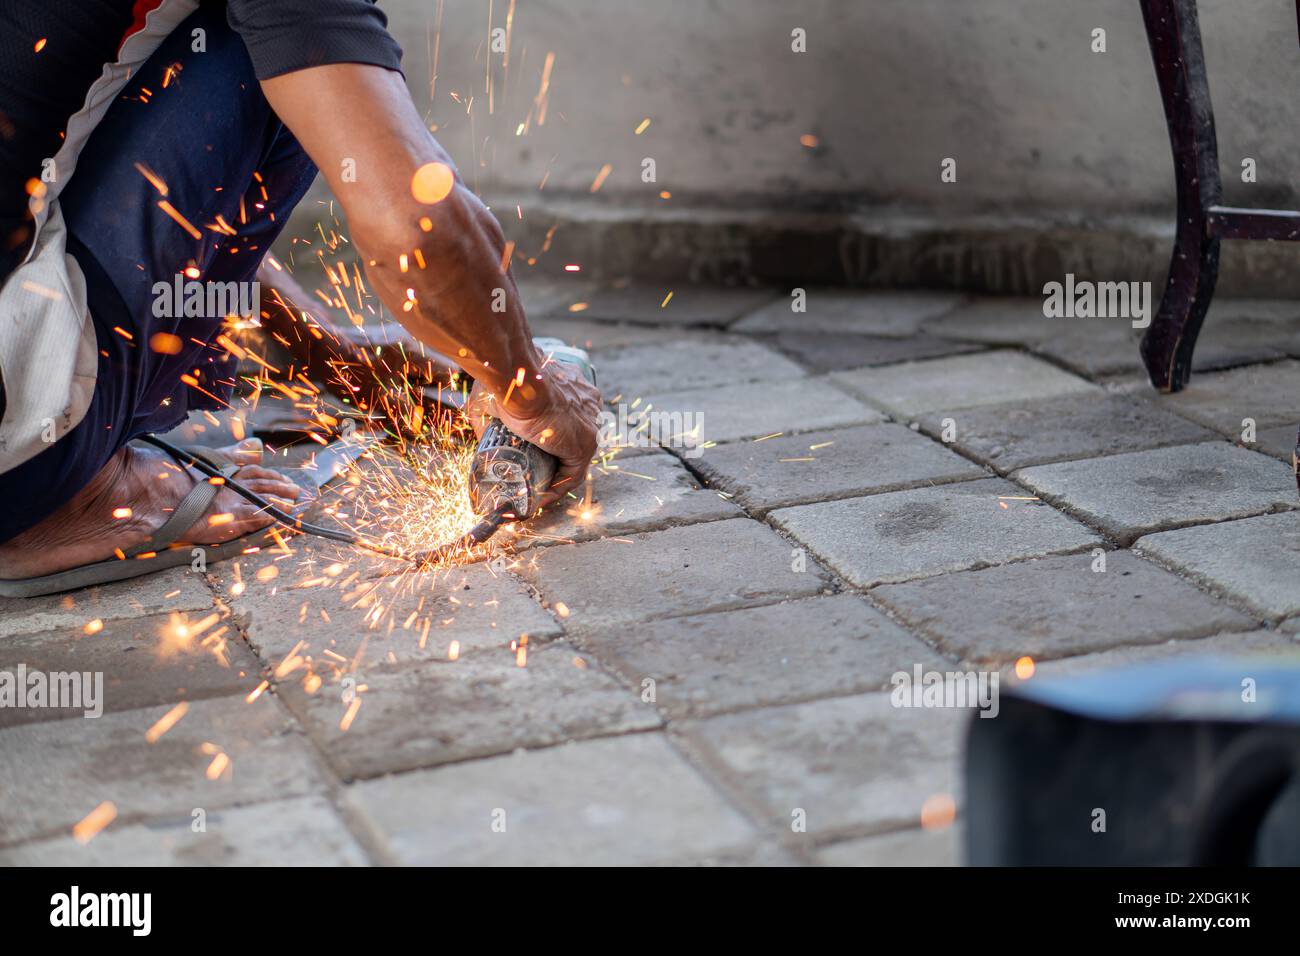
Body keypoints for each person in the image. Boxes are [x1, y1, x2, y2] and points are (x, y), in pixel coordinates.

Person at [0, 1, 601, 592]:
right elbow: (414, 219)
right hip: (18, 474)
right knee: (284, 58)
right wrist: (530, 395)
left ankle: (57, 428)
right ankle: (75, 492)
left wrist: (322, 347)